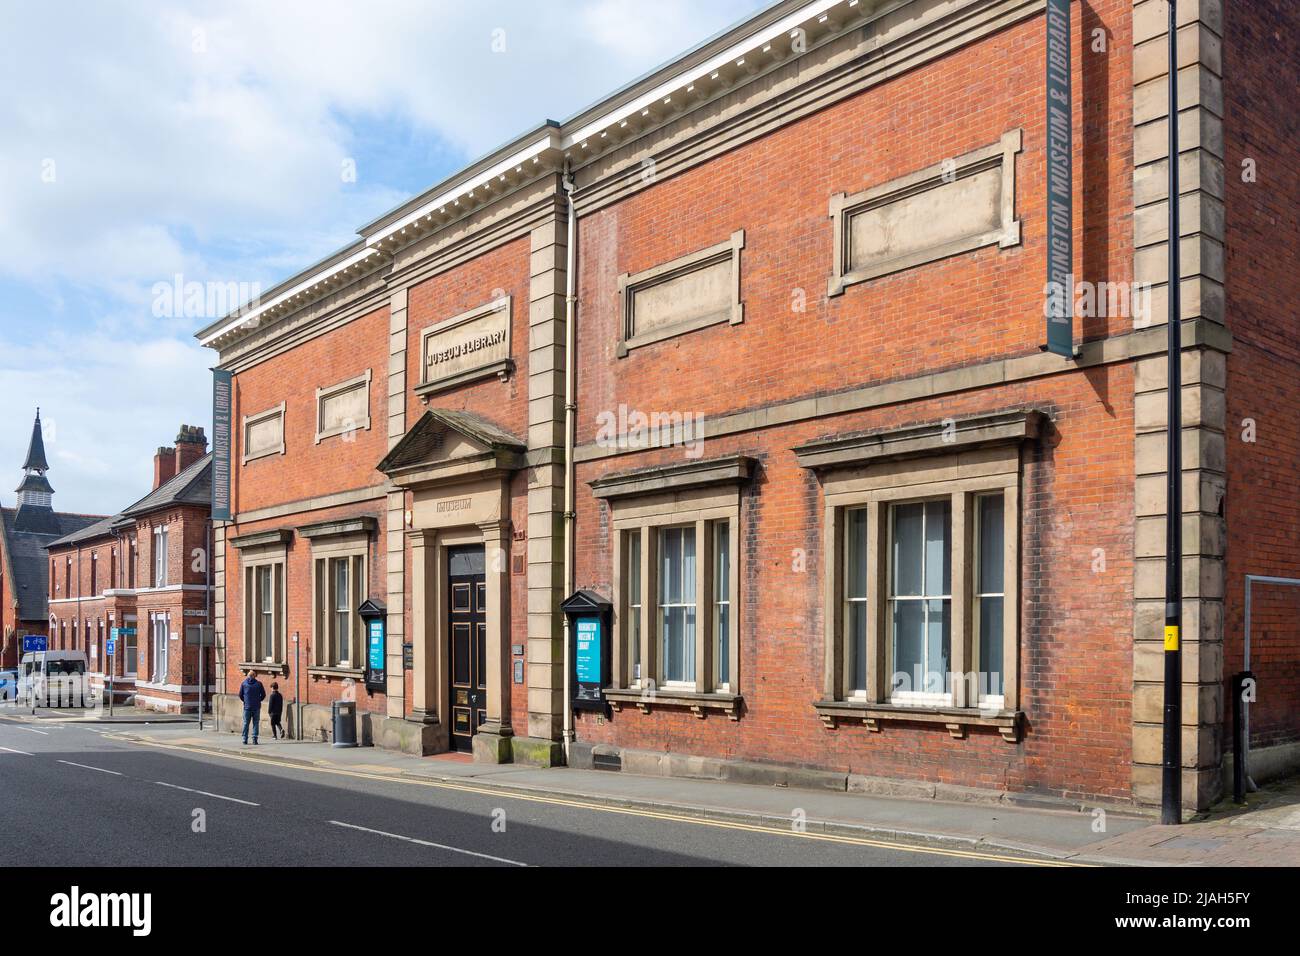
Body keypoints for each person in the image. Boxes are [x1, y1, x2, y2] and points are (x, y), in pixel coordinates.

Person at [238, 669, 266, 745]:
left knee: (246, 723)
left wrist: (245, 701)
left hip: (247, 707)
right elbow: (263, 695)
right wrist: (258, 700)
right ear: (254, 676)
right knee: (256, 723)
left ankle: (245, 739)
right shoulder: (259, 684)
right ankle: (254, 739)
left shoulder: (244, 684)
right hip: (256, 707)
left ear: (248, 676)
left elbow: (240, 695)